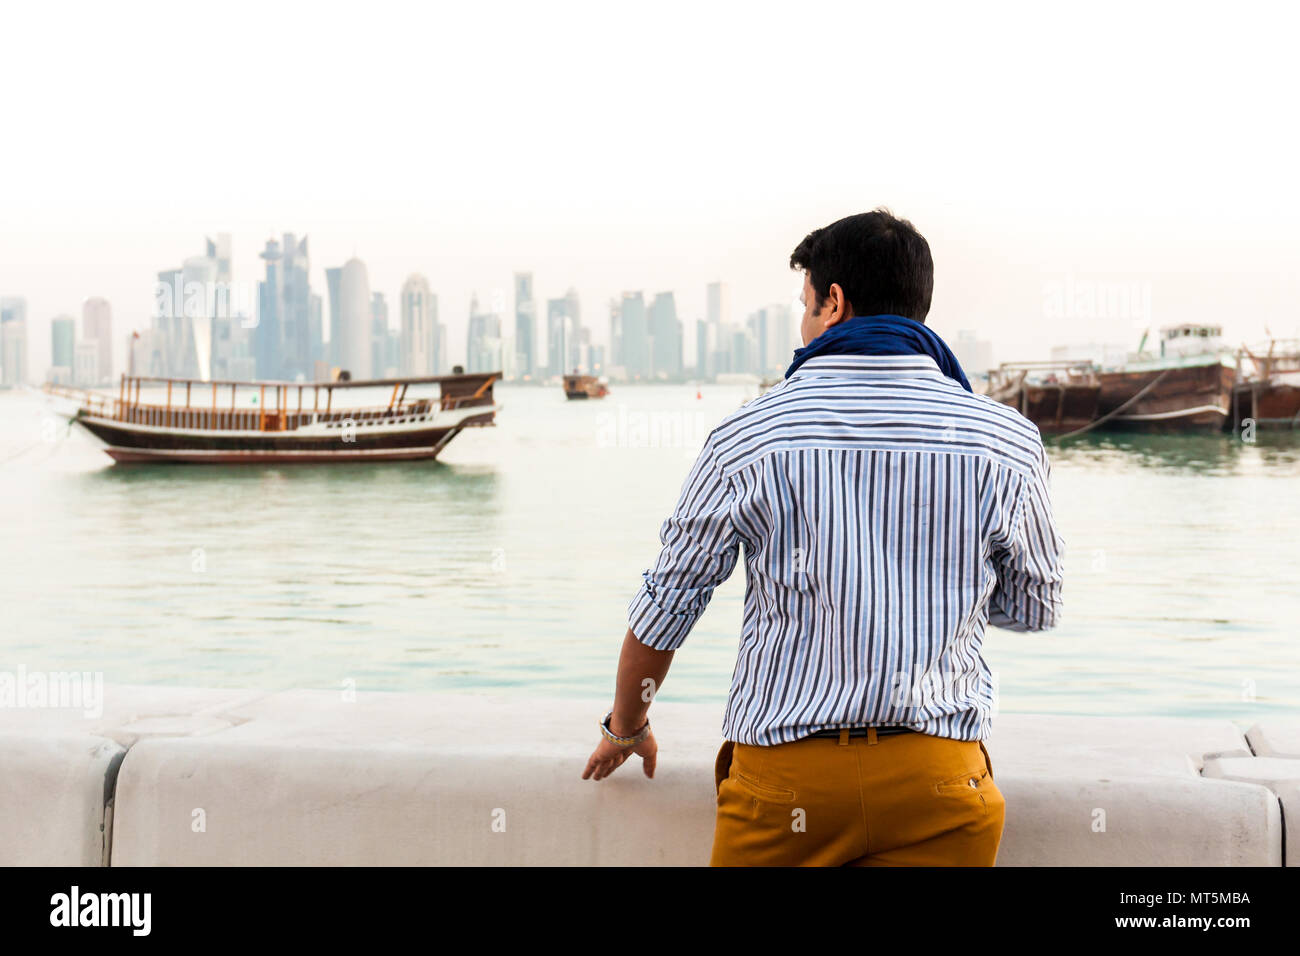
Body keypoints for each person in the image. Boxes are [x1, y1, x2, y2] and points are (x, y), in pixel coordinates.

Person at [581, 209, 1064, 866]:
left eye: (805, 306)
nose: (803, 324)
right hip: (941, 785)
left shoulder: (748, 436)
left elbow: (669, 603)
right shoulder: (1005, 439)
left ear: (834, 303)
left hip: (784, 787)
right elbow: (1034, 607)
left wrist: (627, 726)